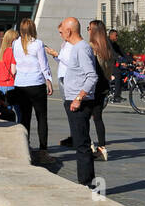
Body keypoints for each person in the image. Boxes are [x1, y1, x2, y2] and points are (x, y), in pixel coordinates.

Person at [56, 17, 99, 189]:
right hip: (74, 100)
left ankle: (86, 183)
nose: (61, 34)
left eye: (62, 31)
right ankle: (85, 181)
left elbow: (92, 76)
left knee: (81, 143)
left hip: (78, 102)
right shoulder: (77, 47)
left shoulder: (81, 48)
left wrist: (78, 98)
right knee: (80, 141)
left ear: (69, 31)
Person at [12, 18, 54, 163]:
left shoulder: (15, 44)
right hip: (36, 83)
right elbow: (44, 64)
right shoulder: (38, 44)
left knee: (25, 118)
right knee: (41, 117)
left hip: (20, 84)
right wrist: (49, 80)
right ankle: (43, 151)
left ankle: (25, 149)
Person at [87, 19, 115, 160]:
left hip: (92, 86)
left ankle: (88, 144)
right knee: (97, 117)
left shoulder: (91, 46)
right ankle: (102, 147)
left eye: (89, 28)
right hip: (104, 85)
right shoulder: (107, 46)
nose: (87, 31)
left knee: (83, 115)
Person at [0, 29, 19, 119]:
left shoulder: (0, 53)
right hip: (12, 85)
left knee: (5, 111)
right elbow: (14, 71)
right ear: (13, 40)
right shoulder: (13, 52)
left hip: (1, 85)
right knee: (18, 110)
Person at [108, 29, 129, 102]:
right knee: (118, 73)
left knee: (123, 72)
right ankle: (116, 96)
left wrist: (133, 61)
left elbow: (123, 53)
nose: (117, 37)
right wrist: (120, 61)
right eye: (116, 35)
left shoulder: (115, 44)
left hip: (111, 63)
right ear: (111, 35)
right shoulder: (107, 43)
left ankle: (113, 87)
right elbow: (113, 54)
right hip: (106, 64)